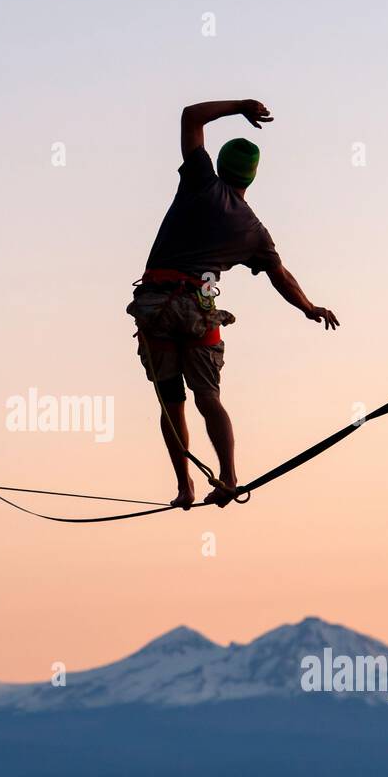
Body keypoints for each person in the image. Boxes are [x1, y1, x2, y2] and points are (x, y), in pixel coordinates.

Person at [128, 99, 340, 508]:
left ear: (221, 166)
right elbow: (281, 277)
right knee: (209, 399)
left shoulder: (200, 182)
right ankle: (228, 477)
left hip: (157, 304)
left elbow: (191, 115)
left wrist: (240, 105)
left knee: (172, 402)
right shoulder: (252, 230)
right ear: (252, 178)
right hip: (198, 309)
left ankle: (184, 487)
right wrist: (309, 307)